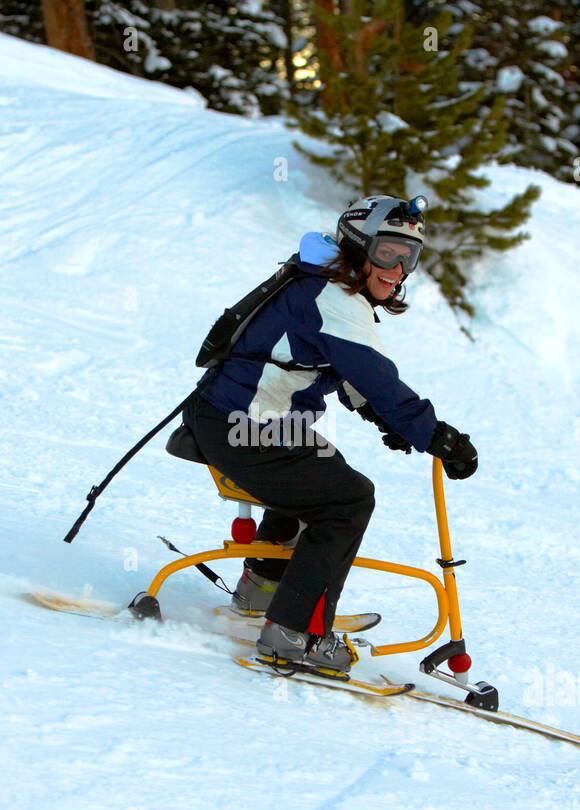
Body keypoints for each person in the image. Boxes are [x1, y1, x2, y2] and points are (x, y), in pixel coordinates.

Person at [182, 194, 478, 674]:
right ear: (359, 247)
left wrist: (386, 420)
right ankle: (292, 632)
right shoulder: (333, 297)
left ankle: (264, 589)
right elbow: (377, 378)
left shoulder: (324, 286)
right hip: (241, 424)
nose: (398, 268)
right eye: (388, 252)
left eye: (410, 257)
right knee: (347, 500)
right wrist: (436, 435)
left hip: (244, 420)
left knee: (321, 475)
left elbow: (345, 374)